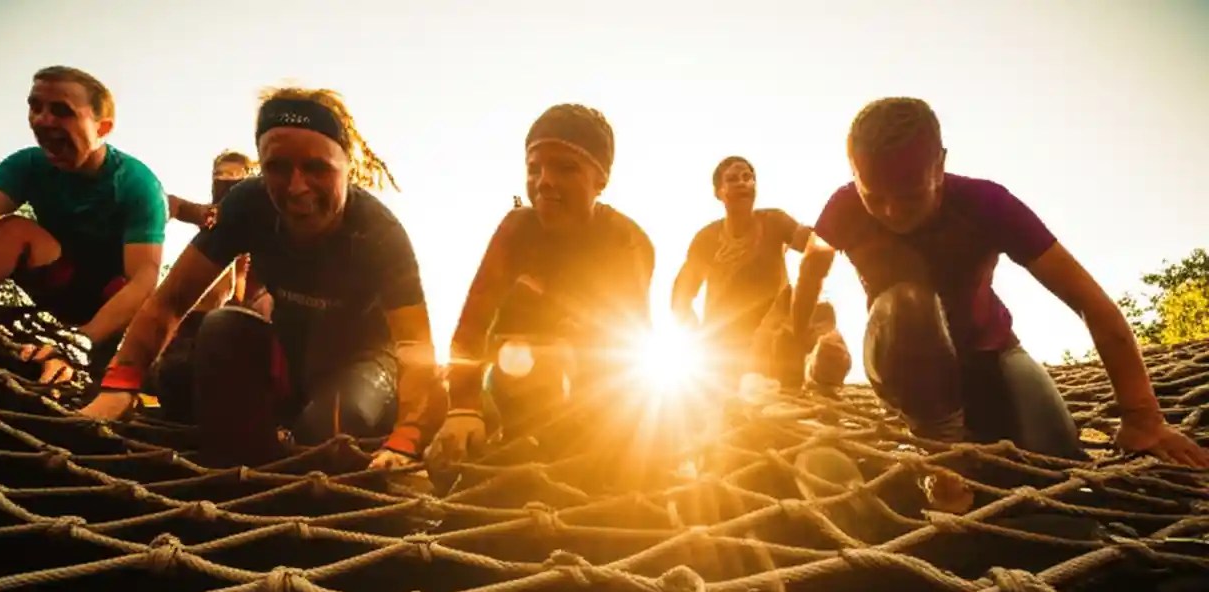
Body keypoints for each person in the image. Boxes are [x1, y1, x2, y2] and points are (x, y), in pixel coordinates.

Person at [762, 96, 1207, 470]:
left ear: (941, 164)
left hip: (991, 353)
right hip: (903, 362)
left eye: (911, 196)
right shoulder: (844, 207)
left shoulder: (986, 204)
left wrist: (1141, 414)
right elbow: (813, 267)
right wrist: (799, 340)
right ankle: (942, 444)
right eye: (874, 196)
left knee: (1059, 461)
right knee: (910, 301)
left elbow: (1090, 303)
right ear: (853, 173)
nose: (892, 213)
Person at [77, 86, 444, 471]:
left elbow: (415, 346)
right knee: (212, 338)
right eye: (278, 167)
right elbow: (170, 302)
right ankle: (238, 475)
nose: (297, 187)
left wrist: (406, 440)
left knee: (330, 427)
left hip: (363, 367)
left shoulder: (377, 231)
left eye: (317, 168)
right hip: (291, 357)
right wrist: (119, 385)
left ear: (347, 165)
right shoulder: (248, 203)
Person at [426, 103, 656, 465]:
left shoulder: (627, 241)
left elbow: (628, 352)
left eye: (566, 168)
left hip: (592, 394)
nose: (544, 181)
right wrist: (463, 410)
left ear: (601, 180)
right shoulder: (515, 230)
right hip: (506, 380)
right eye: (534, 168)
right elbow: (470, 329)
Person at [0, 66, 168, 384]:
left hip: (111, 303)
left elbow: (144, 278)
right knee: (14, 231)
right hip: (59, 279)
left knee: (20, 230)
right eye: (35, 106)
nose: (42, 119)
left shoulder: (137, 183)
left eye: (61, 110)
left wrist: (80, 340)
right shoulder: (28, 164)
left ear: (103, 127)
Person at [672, 155, 850, 391]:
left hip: (775, 336)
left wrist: (839, 232)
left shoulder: (774, 222)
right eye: (733, 179)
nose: (742, 183)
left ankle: (820, 370)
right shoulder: (706, 239)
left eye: (748, 177)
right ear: (719, 192)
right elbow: (681, 297)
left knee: (815, 309)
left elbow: (813, 244)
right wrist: (697, 336)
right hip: (726, 348)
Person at [145, 150, 259, 421]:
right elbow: (170, 203)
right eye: (220, 175)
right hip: (189, 327)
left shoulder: (262, 230)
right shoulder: (210, 221)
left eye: (234, 176)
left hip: (236, 331)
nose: (225, 180)